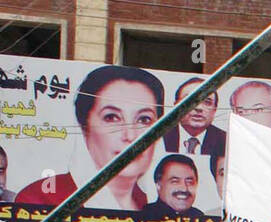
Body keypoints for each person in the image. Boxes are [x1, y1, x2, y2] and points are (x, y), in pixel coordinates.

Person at [17, 65, 163, 210]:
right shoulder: (40, 199)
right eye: (112, 117)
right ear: (84, 126)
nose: (130, 136)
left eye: (144, 120)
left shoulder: (156, 207)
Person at [163, 78, 226, 156]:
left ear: (214, 109)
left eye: (207, 102)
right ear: (176, 106)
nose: (199, 108)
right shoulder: (159, 136)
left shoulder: (226, 141)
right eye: (190, 100)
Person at [139, 155, 205, 221]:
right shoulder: (143, 217)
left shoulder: (200, 218)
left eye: (189, 182)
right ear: (158, 185)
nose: (184, 188)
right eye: (175, 181)